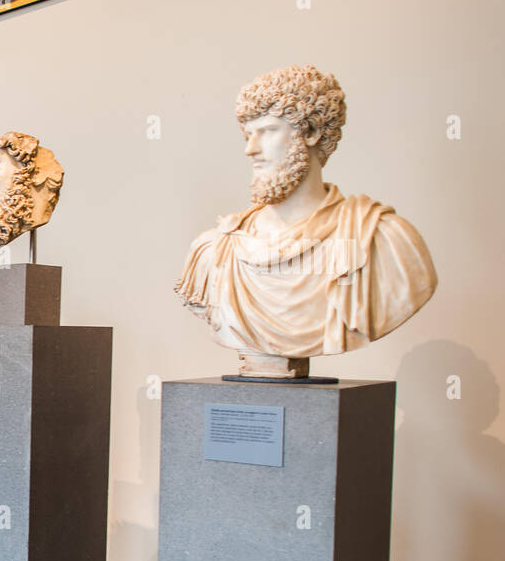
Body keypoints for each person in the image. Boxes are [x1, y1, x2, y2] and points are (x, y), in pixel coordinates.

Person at [176, 64, 438, 378]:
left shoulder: (384, 240)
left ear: (311, 132)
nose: (250, 149)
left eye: (268, 131)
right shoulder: (215, 250)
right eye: (247, 134)